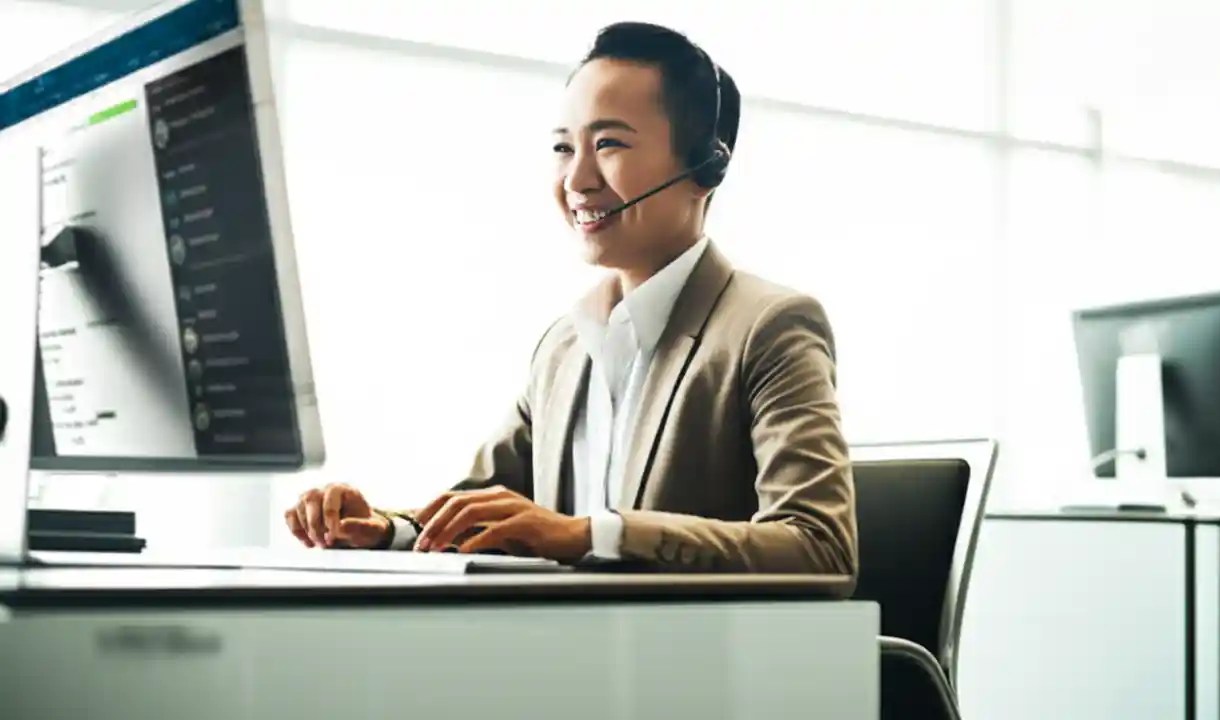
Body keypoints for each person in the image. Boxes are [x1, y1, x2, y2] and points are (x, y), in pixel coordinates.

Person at [284, 22, 857, 575]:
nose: (577, 179)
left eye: (608, 143)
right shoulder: (565, 344)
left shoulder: (770, 326)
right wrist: (386, 529)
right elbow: (482, 505)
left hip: (696, 661)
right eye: (563, 148)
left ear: (707, 166)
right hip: (572, 654)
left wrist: (588, 534)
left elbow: (819, 546)